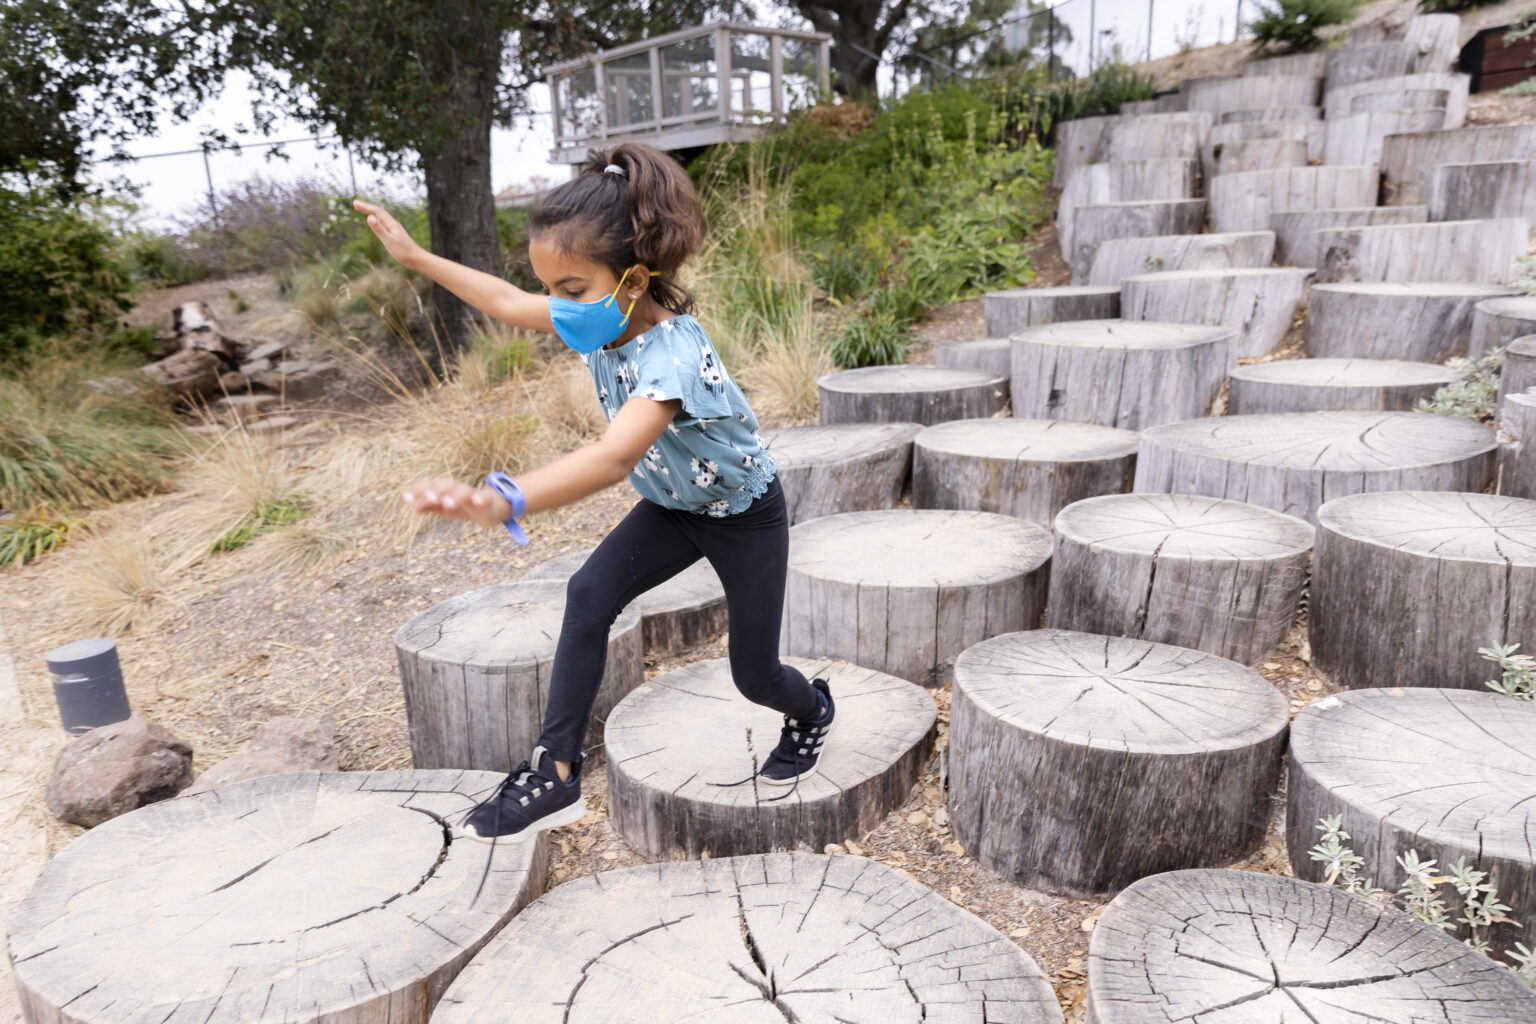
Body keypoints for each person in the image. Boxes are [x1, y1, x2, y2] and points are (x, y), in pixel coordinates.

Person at [353, 142, 835, 843]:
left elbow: (615, 457)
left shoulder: (671, 353)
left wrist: (506, 499)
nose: (554, 306)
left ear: (633, 280)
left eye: (570, 289)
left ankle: (812, 708)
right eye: (551, 286)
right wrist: (415, 258)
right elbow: (503, 299)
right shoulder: (597, 317)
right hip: (673, 509)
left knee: (755, 676)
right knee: (588, 594)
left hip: (742, 517)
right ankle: (555, 771)